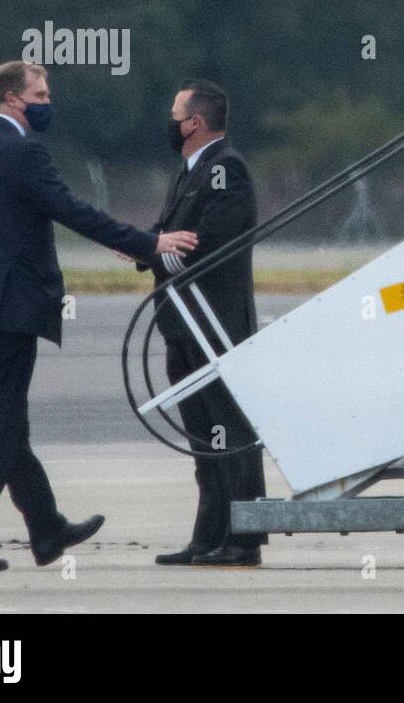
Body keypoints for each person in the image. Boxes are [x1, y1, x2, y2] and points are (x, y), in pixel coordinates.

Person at [0, 60, 199, 571]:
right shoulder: (24, 152)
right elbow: (74, 211)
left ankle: (45, 527)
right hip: (8, 309)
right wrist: (149, 243)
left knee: (7, 425)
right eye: (40, 95)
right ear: (10, 99)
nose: (48, 103)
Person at [142, 79, 267, 568]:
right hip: (181, 321)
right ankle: (208, 535)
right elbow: (166, 234)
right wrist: (143, 244)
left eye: (176, 113)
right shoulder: (189, 171)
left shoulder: (226, 171)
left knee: (229, 428)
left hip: (214, 321)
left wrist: (155, 251)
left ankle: (244, 537)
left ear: (194, 122)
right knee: (202, 433)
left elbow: (206, 243)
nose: (171, 122)